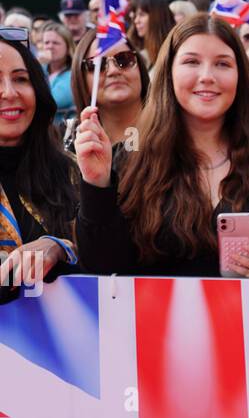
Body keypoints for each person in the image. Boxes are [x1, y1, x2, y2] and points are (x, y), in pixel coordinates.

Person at [74, 13, 249, 277]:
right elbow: (103, 268)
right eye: (191, 62)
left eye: (222, 64)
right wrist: (96, 183)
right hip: (154, 317)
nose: (207, 76)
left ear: (241, 76)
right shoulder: (131, 159)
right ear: (169, 73)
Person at [0, 28, 79, 301]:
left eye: (21, 79)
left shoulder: (69, 170)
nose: (9, 93)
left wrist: (58, 248)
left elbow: (107, 263)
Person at [66, 29, 150, 152]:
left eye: (124, 59)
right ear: (81, 79)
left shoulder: (173, 131)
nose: (113, 71)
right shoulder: (67, 142)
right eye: (97, 64)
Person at [38, 20, 76, 129]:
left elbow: (49, 103)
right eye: (46, 43)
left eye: (55, 43)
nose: (50, 46)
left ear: (68, 47)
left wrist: (38, 68)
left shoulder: (72, 75)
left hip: (60, 135)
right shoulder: (42, 68)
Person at [131, 0, 175, 70]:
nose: (136, 21)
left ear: (157, 17)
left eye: (142, 15)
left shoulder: (174, 53)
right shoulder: (137, 53)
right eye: (136, 16)